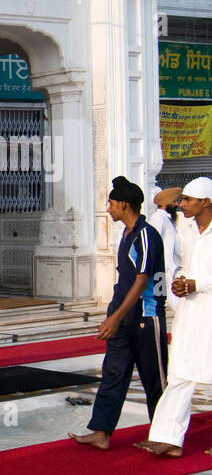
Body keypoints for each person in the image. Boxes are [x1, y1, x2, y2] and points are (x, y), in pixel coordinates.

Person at [70, 177, 167, 450]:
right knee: (113, 374)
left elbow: (141, 279)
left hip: (147, 317)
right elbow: (124, 281)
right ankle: (101, 432)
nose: (108, 208)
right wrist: (114, 314)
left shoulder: (146, 234)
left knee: (154, 380)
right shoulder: (126, 236)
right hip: (124, 318)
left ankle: (163, 434)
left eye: (110, 203)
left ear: (124, 204)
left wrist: (115, 316)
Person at [137, 178, 212, 457]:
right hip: (190, 309)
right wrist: (180, 280)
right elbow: (178, 262)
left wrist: (198, 283)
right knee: (180, 369)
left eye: (188, 200)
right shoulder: (185, 228)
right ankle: (167, 436)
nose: (181, 205)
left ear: (205, 202)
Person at [152, 186, 182, 282]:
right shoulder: (158, 218)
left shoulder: (166, 218)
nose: (177, 204)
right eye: (174, 202)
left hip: (169, 270)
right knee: (160, 296)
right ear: (166, 203)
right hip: (161, 271)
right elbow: (152, 244)